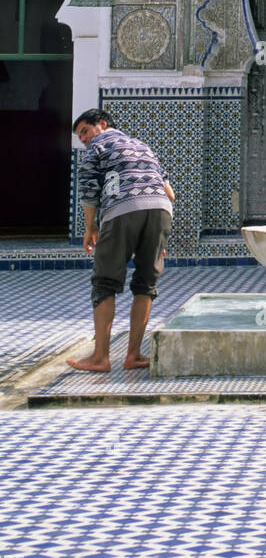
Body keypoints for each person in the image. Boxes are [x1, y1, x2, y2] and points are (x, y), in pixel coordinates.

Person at [68, 109, 175, 373]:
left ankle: (100, 358)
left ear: (101, 124)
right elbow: (170, 193)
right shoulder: (142, 146)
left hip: (122, 211)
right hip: (160, 209)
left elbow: (89, 189)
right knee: (146, 282)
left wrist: (90, 227)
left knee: (105, 282)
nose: (83, 139)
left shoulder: (98, 145)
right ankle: (134, 355)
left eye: (84, 131)